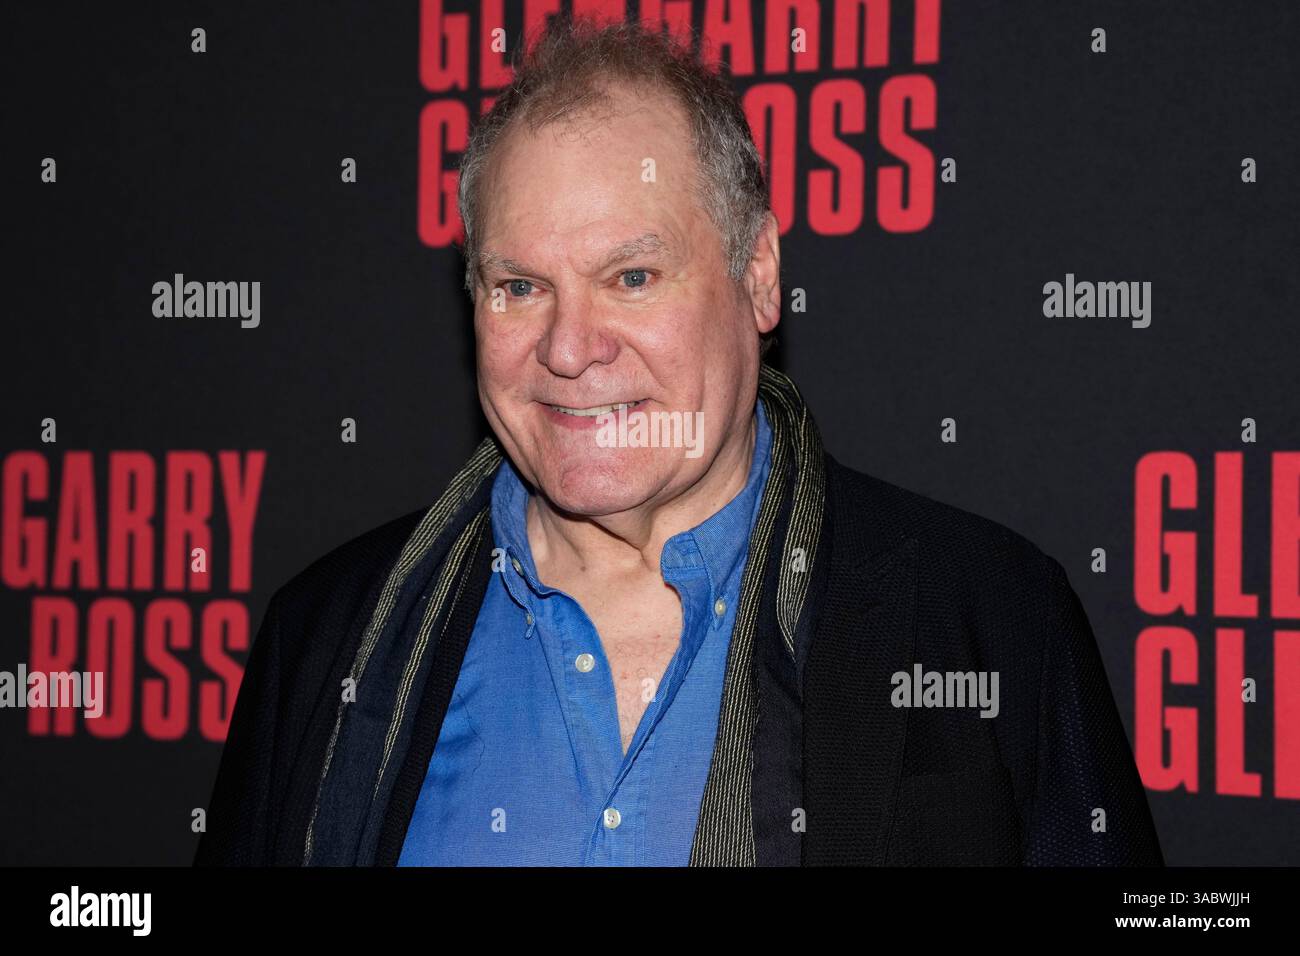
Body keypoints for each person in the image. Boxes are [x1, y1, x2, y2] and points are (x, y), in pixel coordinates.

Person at [194, 15, 1162, 866]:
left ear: (758, 274)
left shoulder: (986, 617)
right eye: (519, 286)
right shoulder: (326, 639)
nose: (569, 348)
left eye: (633, 275)